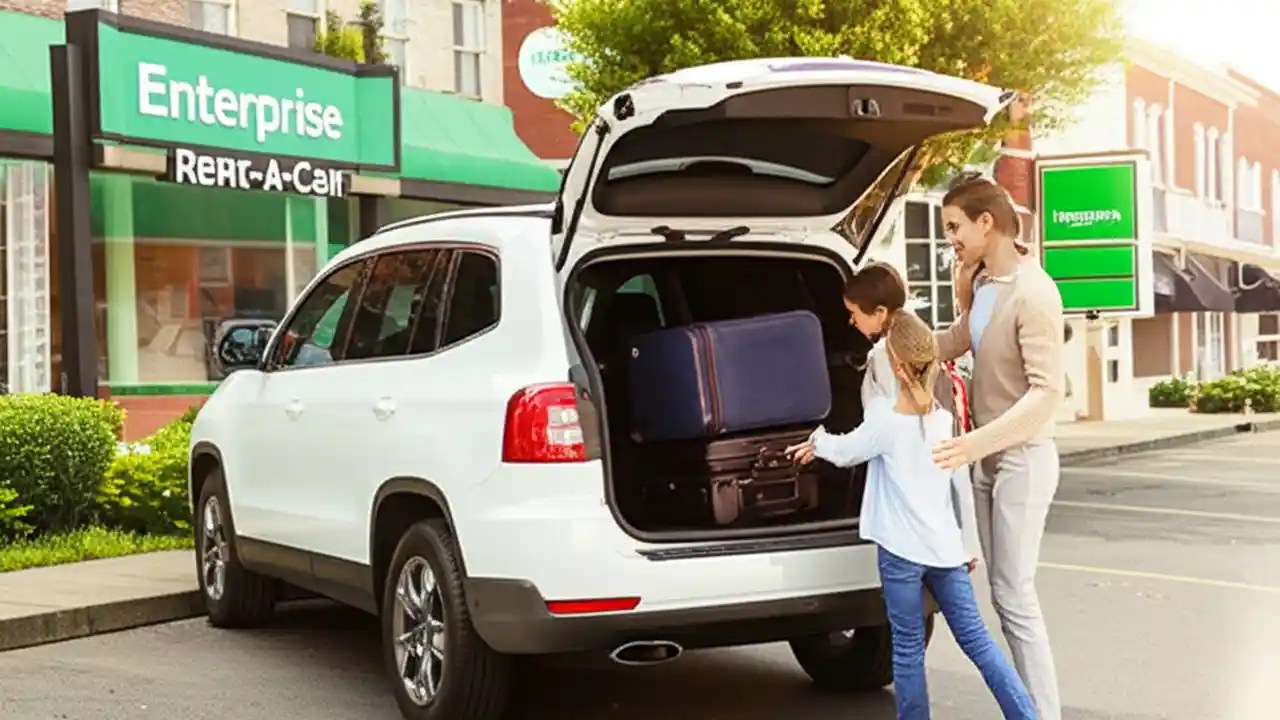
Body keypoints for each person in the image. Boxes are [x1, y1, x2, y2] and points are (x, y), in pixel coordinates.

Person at [785, 310, 1037, 720]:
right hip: (946, 552)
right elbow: (958, 488)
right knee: (977, 641)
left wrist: (816, 441)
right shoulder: (944, 422)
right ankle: (1026, 715)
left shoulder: (886, 422)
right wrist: (967, 545)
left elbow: (846, 451)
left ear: (898, 368)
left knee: (907, 647)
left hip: (901, 554)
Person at [929, 175, 1067, 720]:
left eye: (954, 227)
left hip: (1023, 459)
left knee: (1015, 594)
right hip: (984, 457)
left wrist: (971, 445)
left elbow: (1046, 392)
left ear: (986, 222)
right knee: (1003, 596)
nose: (951, 240)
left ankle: (1042, 714)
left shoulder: (1035, 292)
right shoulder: (987, 283)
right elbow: (956, 340)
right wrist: (892, 337)